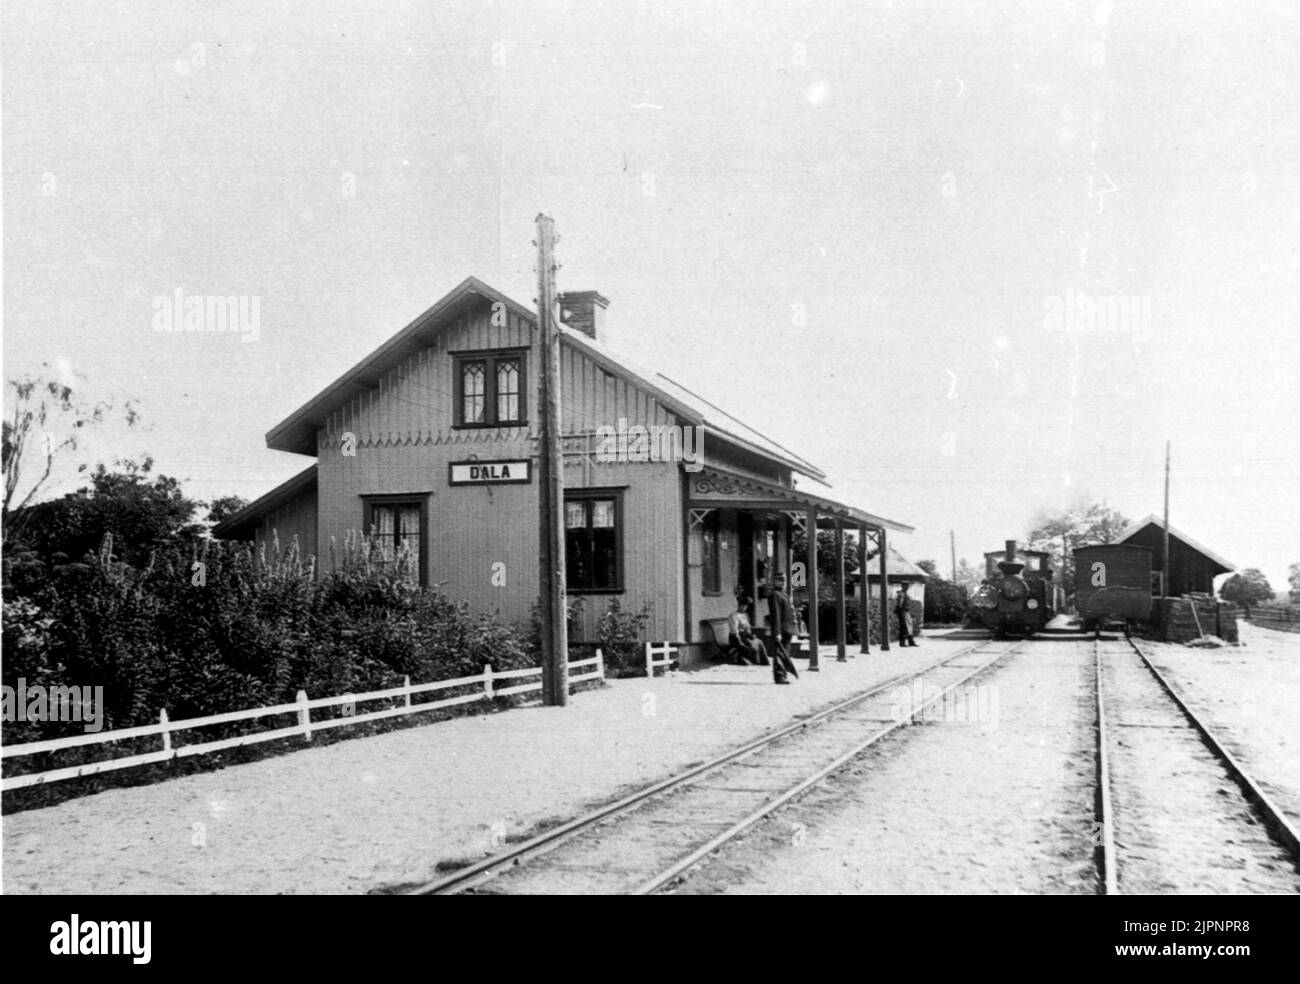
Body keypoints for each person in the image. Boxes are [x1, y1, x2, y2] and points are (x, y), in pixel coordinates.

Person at [767, 573, 801, 684]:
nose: (783, 582)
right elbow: (775, 614)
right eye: (780, 580)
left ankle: (783, 674)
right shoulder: (775, 595)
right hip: (781, 629)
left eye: (784, 580)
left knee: (785, 652)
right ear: (774, 581)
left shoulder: (784, 594)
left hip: (788, 628)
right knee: (779, 653)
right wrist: (777, 632)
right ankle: (779, 676)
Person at [728, 597, 769, 665]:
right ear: (739, 605)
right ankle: (751, 660)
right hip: (735, 637)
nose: (744, 608)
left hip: (744, 635)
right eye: (743, 606)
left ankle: (762, 661)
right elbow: (735, 630)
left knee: (759, 642)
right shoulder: (734, 615)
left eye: (746, 606)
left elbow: (748, 627)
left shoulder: (744, 615)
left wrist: (750, 634)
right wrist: (740, 639)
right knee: (751, 644)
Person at [896, 583, 918, 647]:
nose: (907, 587)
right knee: (904, 627)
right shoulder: (902, 594)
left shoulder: (905, 593)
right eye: (906, 585)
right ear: (903, 586)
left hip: (906, 611)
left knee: (909, 626)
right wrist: (900, 611)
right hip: (903, 611)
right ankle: (902, 642)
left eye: (908, 586)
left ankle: (911, 641)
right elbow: (900, 604)